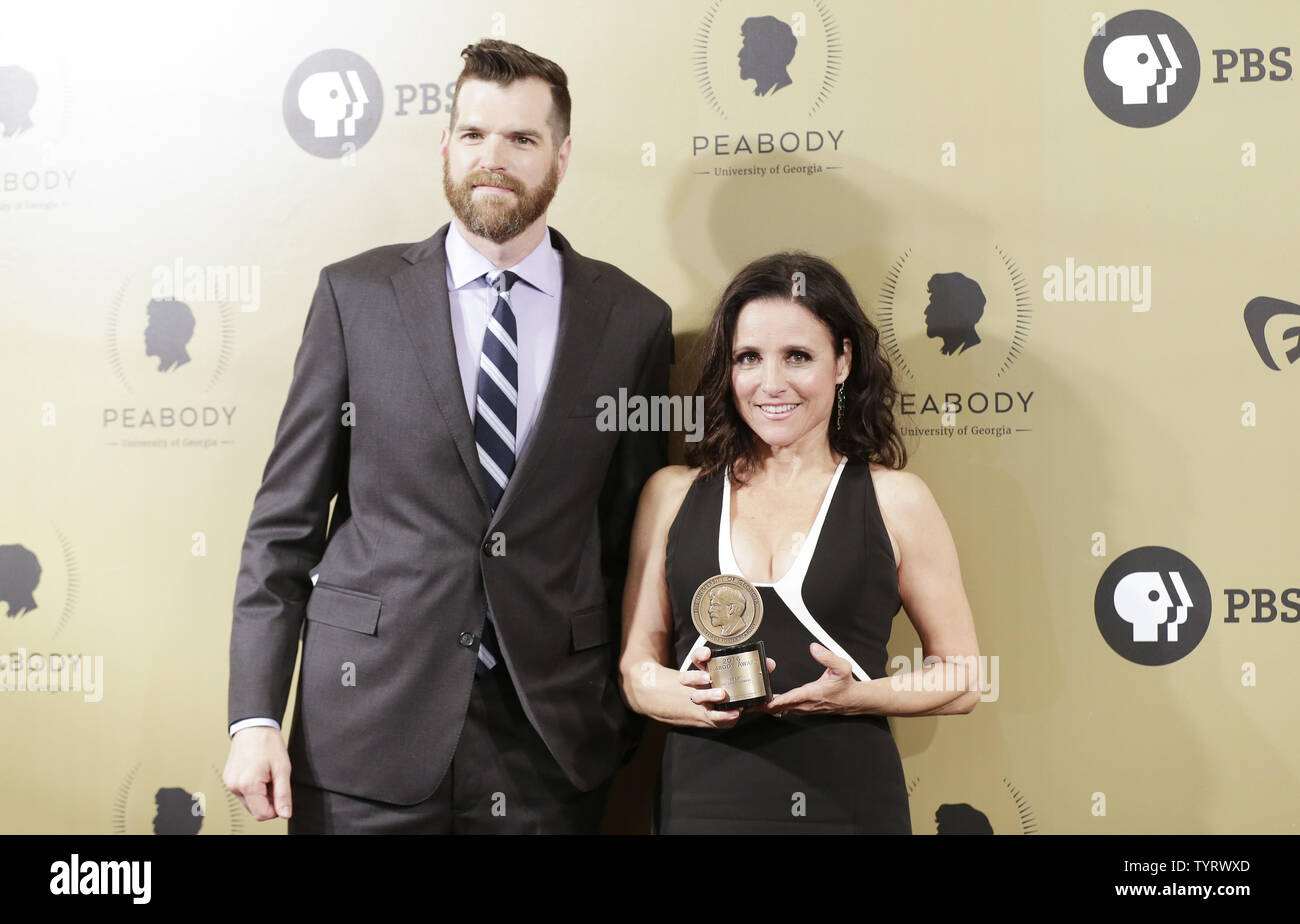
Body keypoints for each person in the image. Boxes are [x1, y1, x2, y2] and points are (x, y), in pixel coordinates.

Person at [223, 39, 673, 834]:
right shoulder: (355, 297)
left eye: (522, 140)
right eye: (474, 135)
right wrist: (255, 717)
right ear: (445, 144)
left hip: (550, 745)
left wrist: (613, 709)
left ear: (561, 157)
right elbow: (283, 530)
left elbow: (626, 545)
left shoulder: (633, 322)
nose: (493, 159)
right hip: (365, 731)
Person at [619, 252, 980, 834]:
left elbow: (962, 677)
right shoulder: (671, 495)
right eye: (749, 358)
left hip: (849, 806)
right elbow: (636, 667)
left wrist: (854, 698)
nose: (771, 383)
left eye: (798, 357)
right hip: (701, 805)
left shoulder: (896, 499)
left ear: (842, 362)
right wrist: (674, 694)